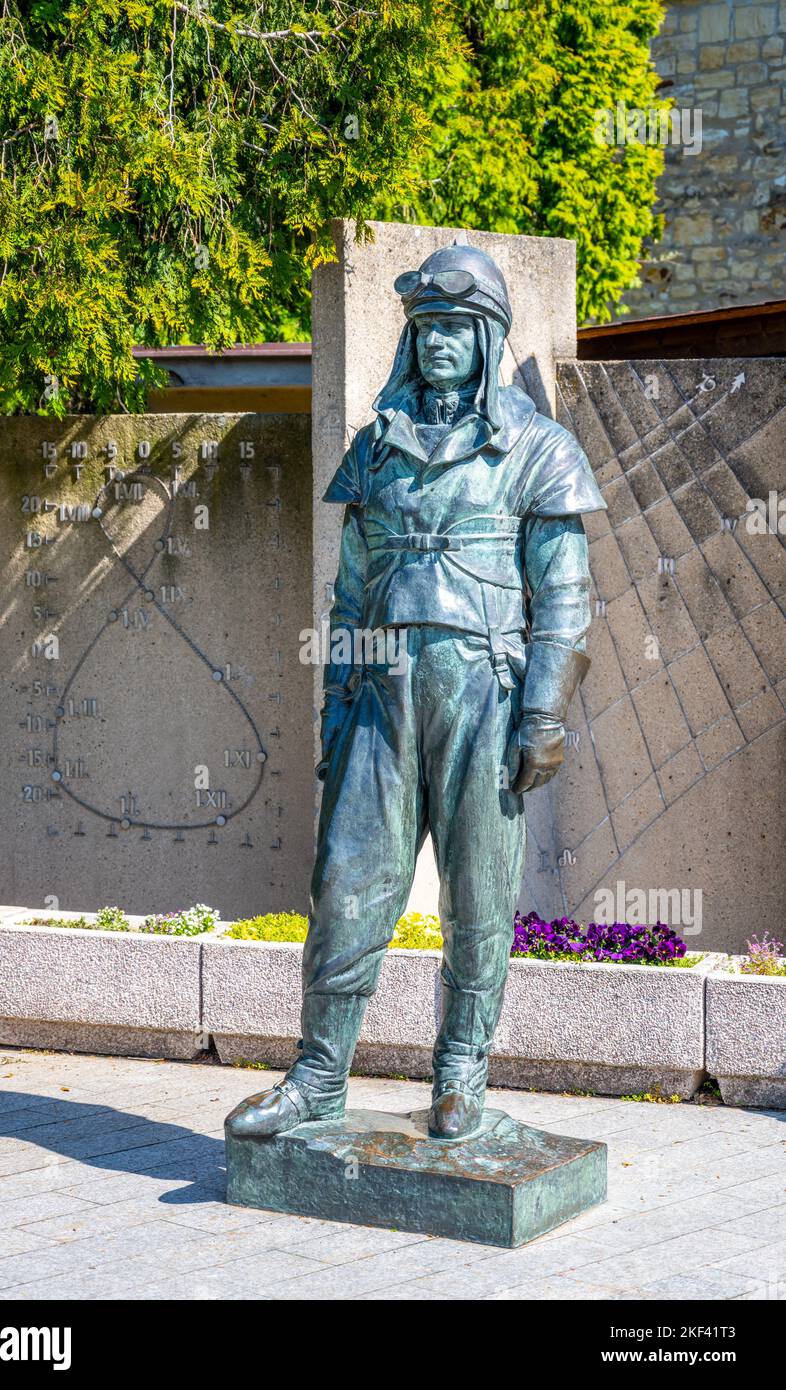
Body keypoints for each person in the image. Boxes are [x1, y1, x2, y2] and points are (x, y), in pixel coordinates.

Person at [227, 243, 606, 1141]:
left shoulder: (538, 450)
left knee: (479, 892)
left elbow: (564, 595)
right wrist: (334, 707)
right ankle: (319, 1077)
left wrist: (544, 712)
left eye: (454, 329)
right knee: (347, 886)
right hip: (380, 702)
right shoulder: (376, 449)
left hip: (485, 693)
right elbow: (350, 591)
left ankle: (462, 1072)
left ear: (486, 337)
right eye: (425, 329)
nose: (438, 344)